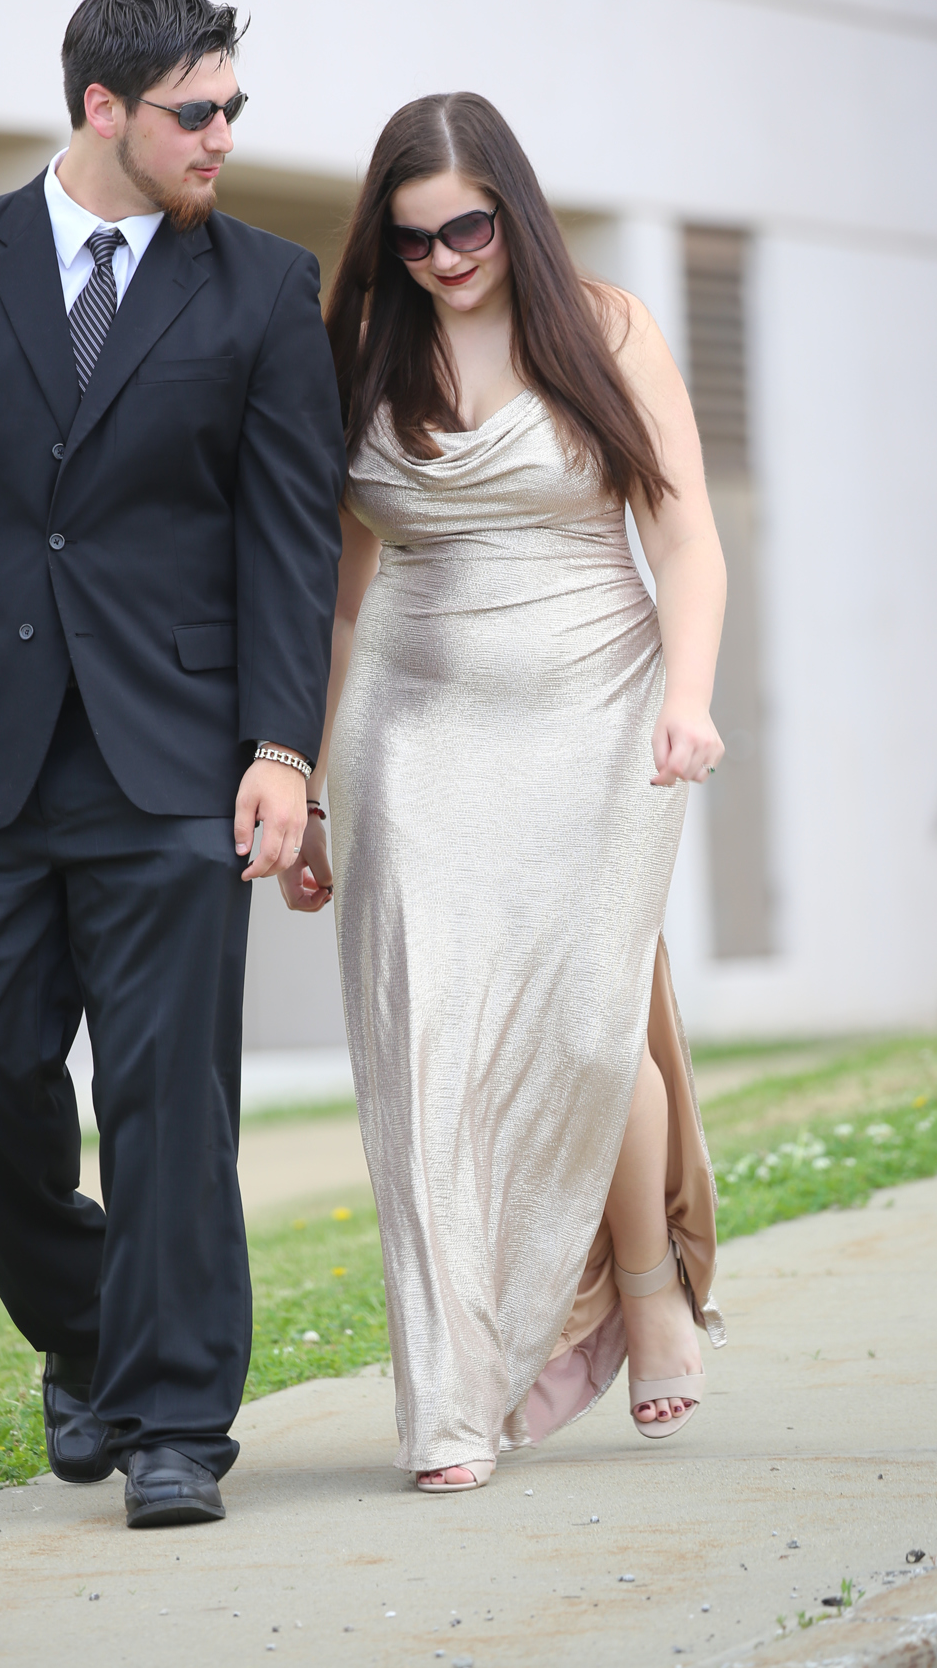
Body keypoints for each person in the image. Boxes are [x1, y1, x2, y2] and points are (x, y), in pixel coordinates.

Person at [0, 0, 345, 1528]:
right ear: (102, 110)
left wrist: (281, 749)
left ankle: (175, 1423)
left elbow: (289, 541)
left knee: (173, 1094)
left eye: (233, 109)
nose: (222, 138)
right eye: (197, 113)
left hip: (177, 758)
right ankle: (97, 1329)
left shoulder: (260, 288)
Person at [282, 92, 727, 1492]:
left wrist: (688, 698)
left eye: (466, 227)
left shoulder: (601, 327)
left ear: (512, 211)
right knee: (430, 1065)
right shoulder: (358, 350)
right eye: (412, 239)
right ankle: (451, 1406)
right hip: (411, 729)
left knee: (589, 1033)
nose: (443, 257)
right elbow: (340, 603)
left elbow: (685, 532)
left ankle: (644, 1287)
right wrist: (307, 775)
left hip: (600, 710)